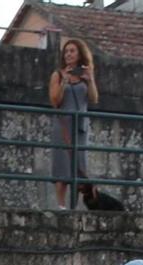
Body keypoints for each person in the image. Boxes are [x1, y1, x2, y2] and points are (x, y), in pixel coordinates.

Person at [49, 38, 98, 210]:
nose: (68, 54)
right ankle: (61, 205)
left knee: (79, 165)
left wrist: (90, 79)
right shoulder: (58, 74)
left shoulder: (85, 75)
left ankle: (74, 206)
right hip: (63, 125)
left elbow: (93, 98)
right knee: (62, 165)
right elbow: (55, 101)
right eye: (66, 51)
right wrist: (64, 81)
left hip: (80, 125)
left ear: (79, 54)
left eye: (72, 51)